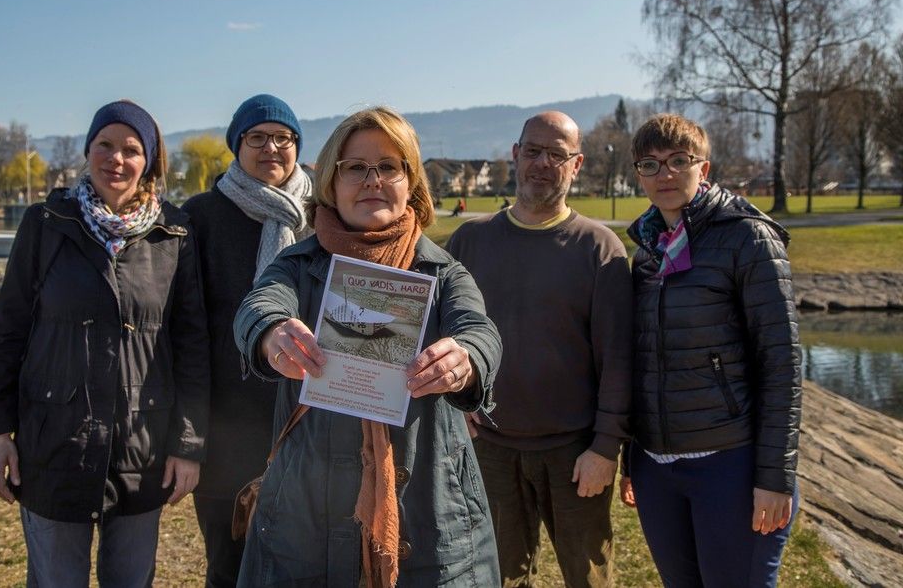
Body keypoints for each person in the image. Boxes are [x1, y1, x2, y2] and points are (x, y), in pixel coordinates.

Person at [233, 106, 502, 587]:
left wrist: (466, 358)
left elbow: (479, 330)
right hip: (306, 510)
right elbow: (259, 304)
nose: (372, 179)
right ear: (331, 183)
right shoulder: (297, 265)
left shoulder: (443, 272)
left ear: (410, 183)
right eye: (355, 167)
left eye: (389, 167)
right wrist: (272, 331)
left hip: (428, 503)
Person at [0, 100, 210, 587]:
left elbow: (192, 348)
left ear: (149, 160)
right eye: (104, 144)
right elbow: (7, 333)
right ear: (88, 150)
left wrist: (188, 444)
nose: (116, 159)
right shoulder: (45, 224)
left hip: (140, 447)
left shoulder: (174, 235)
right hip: (53, 441)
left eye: (131, 149)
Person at [446, 111, 632, 588]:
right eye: (533, 151)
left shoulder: (600, 248)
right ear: (515, 155)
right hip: (489, 447)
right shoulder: (471, 240)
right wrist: (454, 406)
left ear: (576, 165)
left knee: (588, 578)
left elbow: (618, 361)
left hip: (575, 452)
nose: (542, 164)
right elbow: (438, 332)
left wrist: (606, 448)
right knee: (496, 578)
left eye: (557, 154)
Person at [619, 113, 801, 587]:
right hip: (658, 467)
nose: (666, 174)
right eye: (650, 165)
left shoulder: (746, 236)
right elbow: (640, 363)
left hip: (731, 465)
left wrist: (775, 478)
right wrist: (630, 459)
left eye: (680, 161)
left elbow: (781, 364)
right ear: (638, 174)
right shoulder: (647, 250)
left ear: (705, 167)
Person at [182, 94, 312, 587]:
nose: (271, 148)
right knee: (229, 562)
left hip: (305, 416)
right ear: (236, 146)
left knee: (303, 559)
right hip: (227, 424)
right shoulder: (201, 216)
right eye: (257, 138)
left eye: (283, 138)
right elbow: (188, 329)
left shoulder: (322, 215)